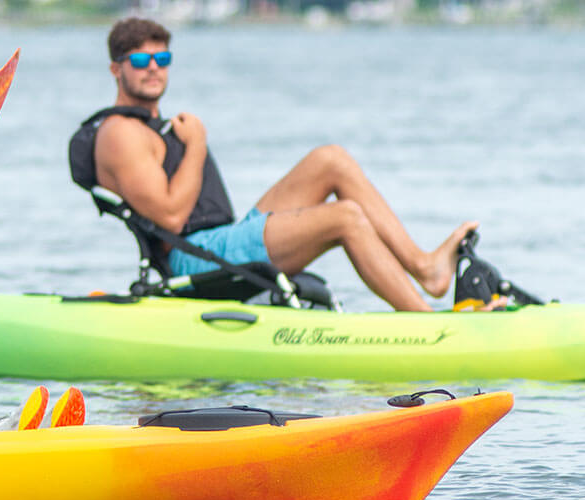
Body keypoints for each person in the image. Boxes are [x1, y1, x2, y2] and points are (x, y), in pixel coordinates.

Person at [74, 17, 483, 312]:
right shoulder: (119, 132)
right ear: (116, 68)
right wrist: (197, 143)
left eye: (162, 58)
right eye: (140, 61)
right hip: (194, 256)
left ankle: (426, 268)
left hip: (221, 239)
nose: (154, 69)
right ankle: (426, 324)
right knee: (344, 217)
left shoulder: (154, 126)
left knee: (331, 159)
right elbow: (170, 214)